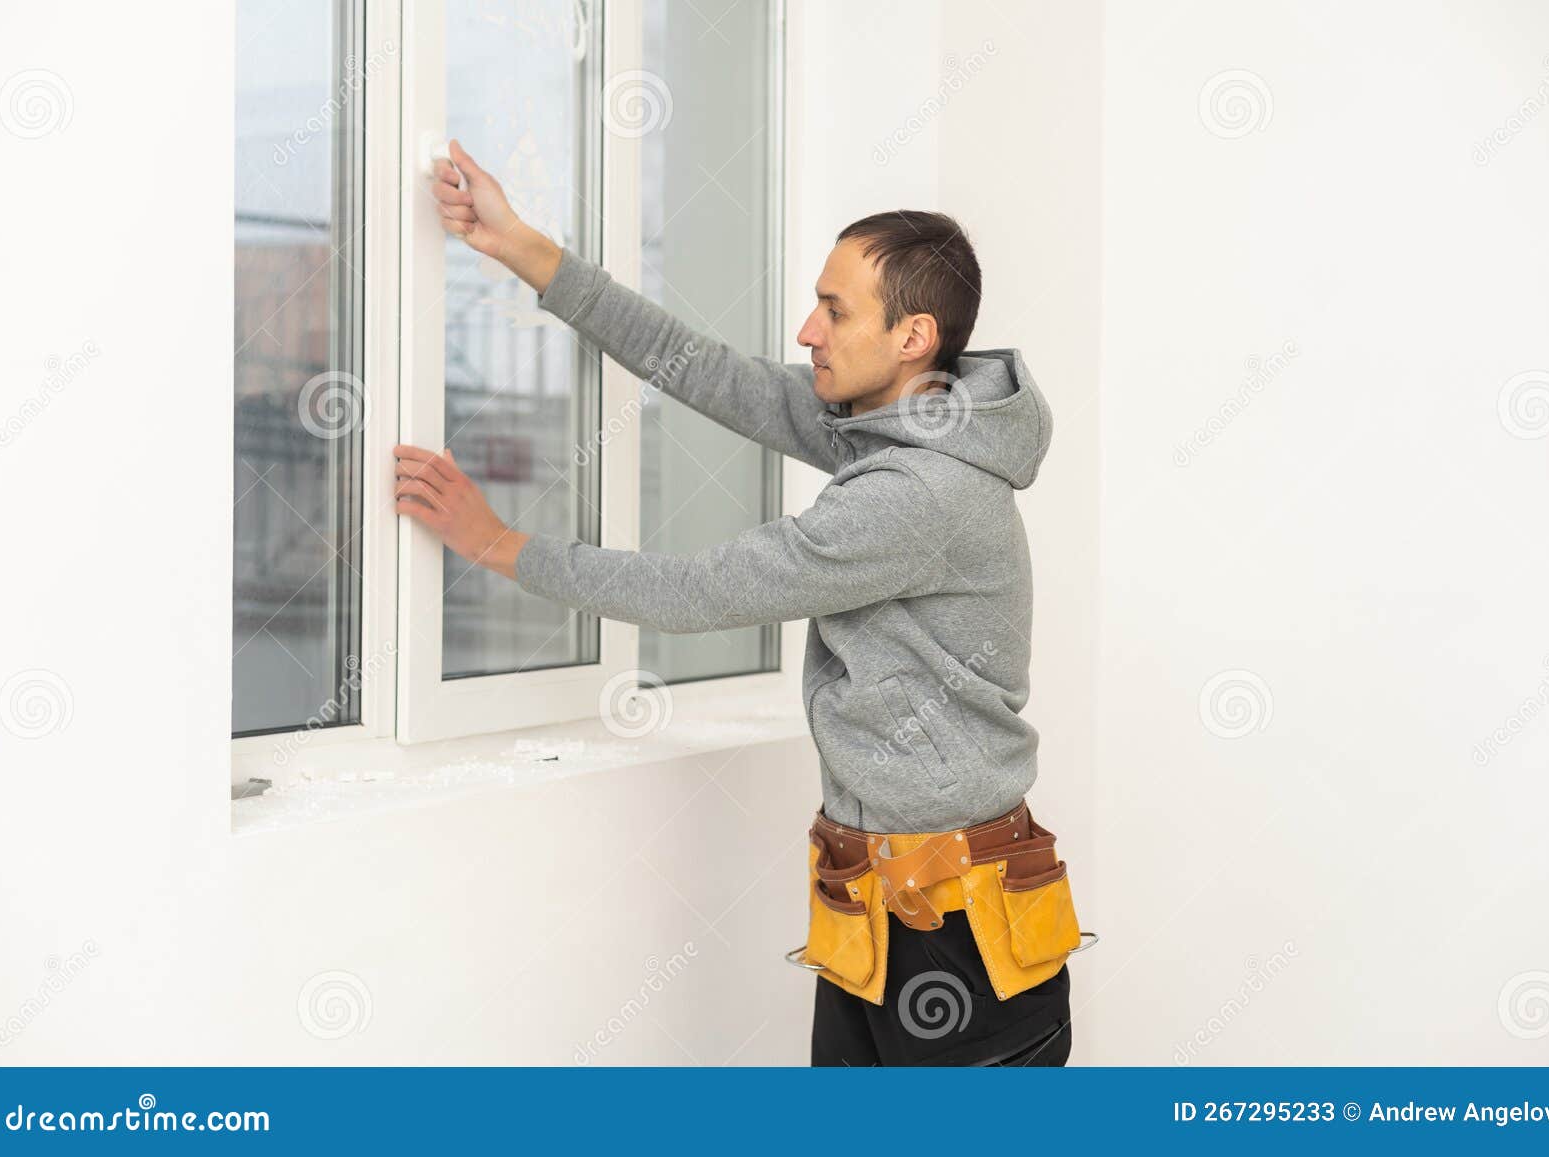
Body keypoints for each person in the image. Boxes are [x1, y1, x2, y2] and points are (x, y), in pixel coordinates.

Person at [396, 139, 1079, 1067]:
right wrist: (522, 247)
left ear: (913, 337)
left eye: (835, 311)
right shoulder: (898, 424)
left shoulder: (914, 494)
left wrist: (496, 544)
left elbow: (698, 590)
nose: (808, 331)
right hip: (875, 901)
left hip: (954, 935)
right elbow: (707, 371)